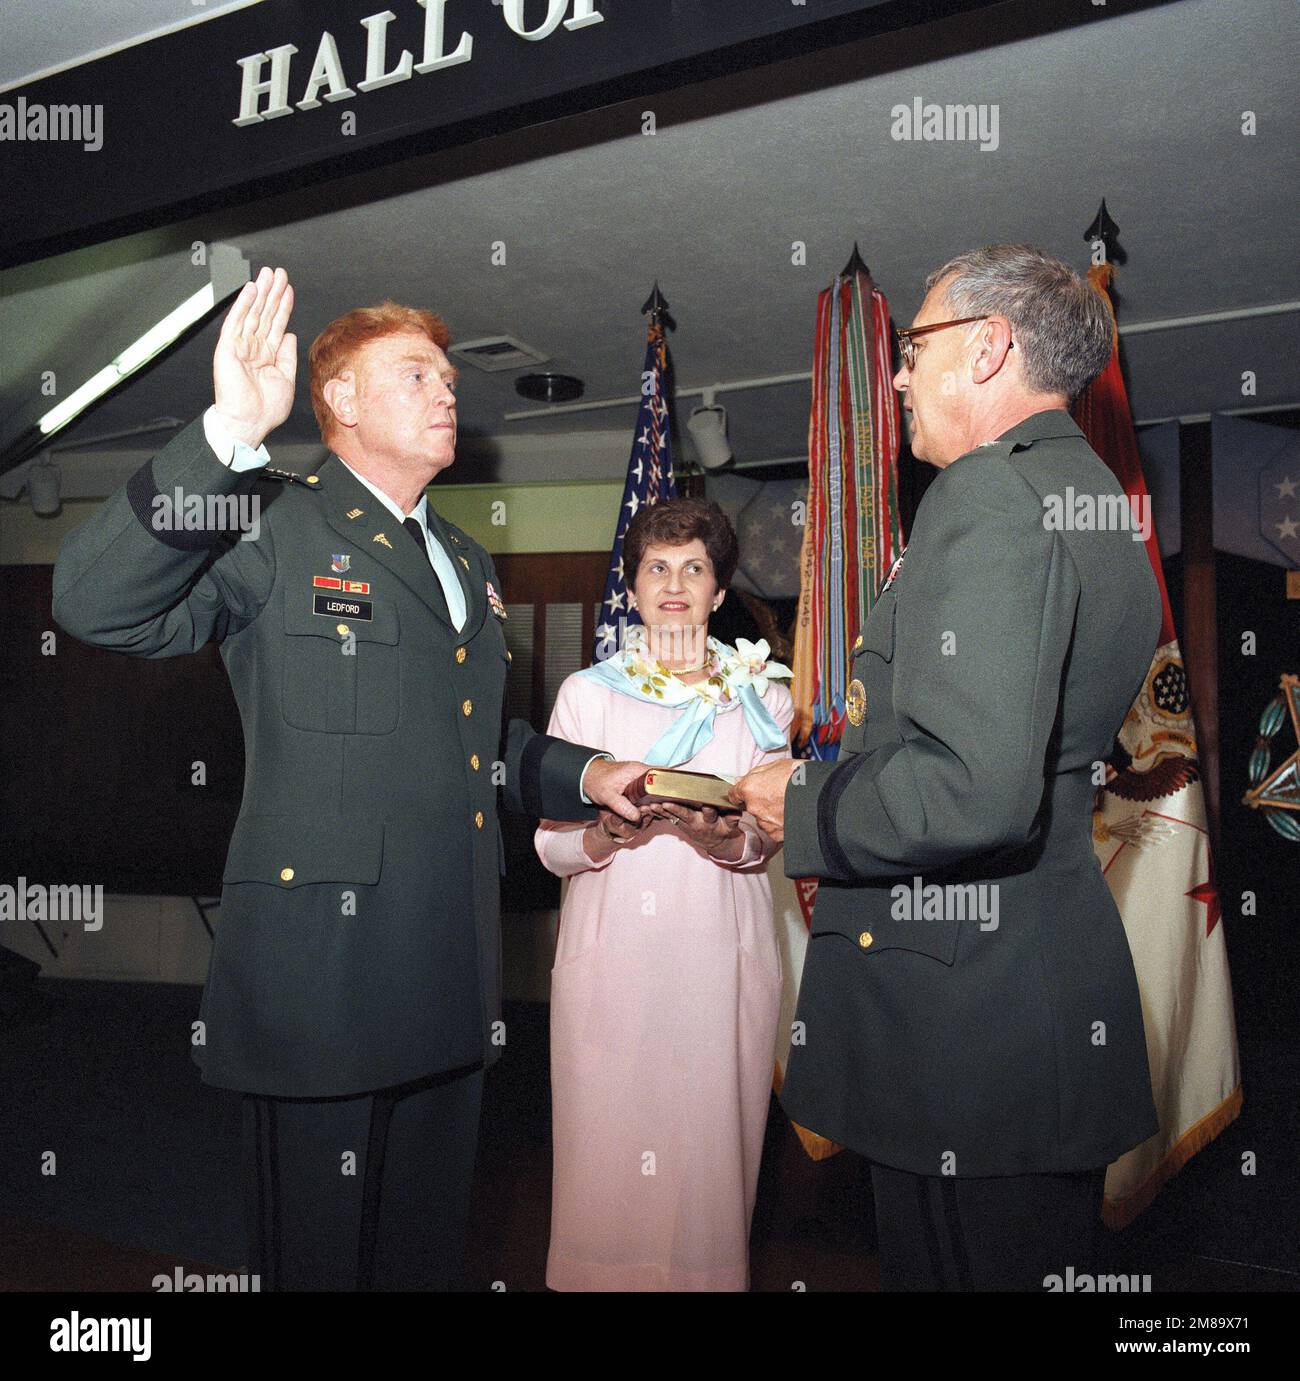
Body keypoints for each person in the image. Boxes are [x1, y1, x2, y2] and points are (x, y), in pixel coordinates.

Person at [52, 267, 645, 1291]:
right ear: (340, 402)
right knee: (319, 1263)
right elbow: (97, 604)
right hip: (321, 982)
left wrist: (587, 770)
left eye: (449, 377)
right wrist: (228, 438)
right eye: (416, 375)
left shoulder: (462, 555)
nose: (448, 392)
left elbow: (476, 745)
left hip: (448, 973)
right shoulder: (275, 527)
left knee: (418, 1256)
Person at [732, 244, 1162, 1292]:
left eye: (911, 349)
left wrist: (799, 800)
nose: (893, 377)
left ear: (986, 348)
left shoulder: (988, 497)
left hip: (964, 1023)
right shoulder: (1092, 498)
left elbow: (974, 786)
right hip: (1015, 1000)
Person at [534, 498, 793, 1291]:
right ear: (634, 586)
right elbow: (548, 844)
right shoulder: (587, 693)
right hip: (614, 970)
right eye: (656, 566)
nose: (674, 583)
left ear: (719, 592)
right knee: (604, 1161)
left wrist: (727, 839)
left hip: (718, 965)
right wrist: (610, 834)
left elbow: (770, 834)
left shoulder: (764, 698)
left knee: (706, 1164)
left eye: (693, 568)